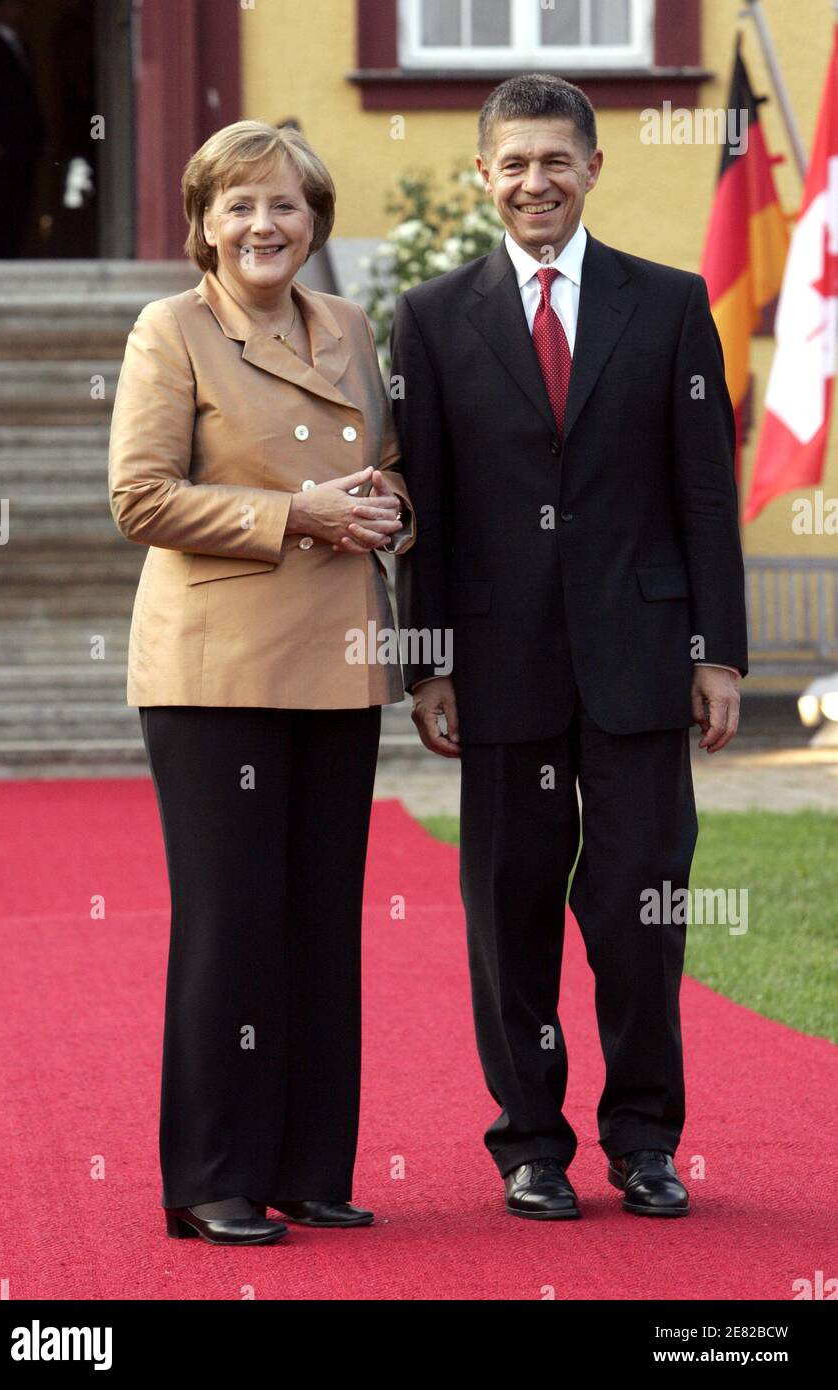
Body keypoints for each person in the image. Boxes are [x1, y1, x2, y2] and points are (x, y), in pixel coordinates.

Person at [392, 74, 747, 1221]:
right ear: (483, 176)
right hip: (497, 666)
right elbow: (427, 505)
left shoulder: (672, 302)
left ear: (593, 169)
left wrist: (719, 652)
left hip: (642, 658)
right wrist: (428, 658)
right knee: (510, 908)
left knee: (642, 905)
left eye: (556, 160)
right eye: (513, 162)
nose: (534, 180)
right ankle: (529, 1142)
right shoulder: (433, 319)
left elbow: (704, 492)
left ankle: (645, 1139)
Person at [108, 120, 415, 1246]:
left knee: (323, 922)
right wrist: (296, 514)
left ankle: (306, 1167)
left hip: (339, 662)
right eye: (238, 206)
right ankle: (209, 1176)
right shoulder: (170, 328)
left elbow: (386, 468)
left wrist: (389, 508)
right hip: (215, 670)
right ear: (202, 224)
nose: (262, 225)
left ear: (313, 221)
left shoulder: (345, 321)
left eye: (283, 205)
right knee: (232, 922)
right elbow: (139, 498)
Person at [0, 0, 45, 258]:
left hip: (24, 140)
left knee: (20, 199)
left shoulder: (22, 46)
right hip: (1, 141)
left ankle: (11, 251)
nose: (19, 9)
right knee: (0, 197)